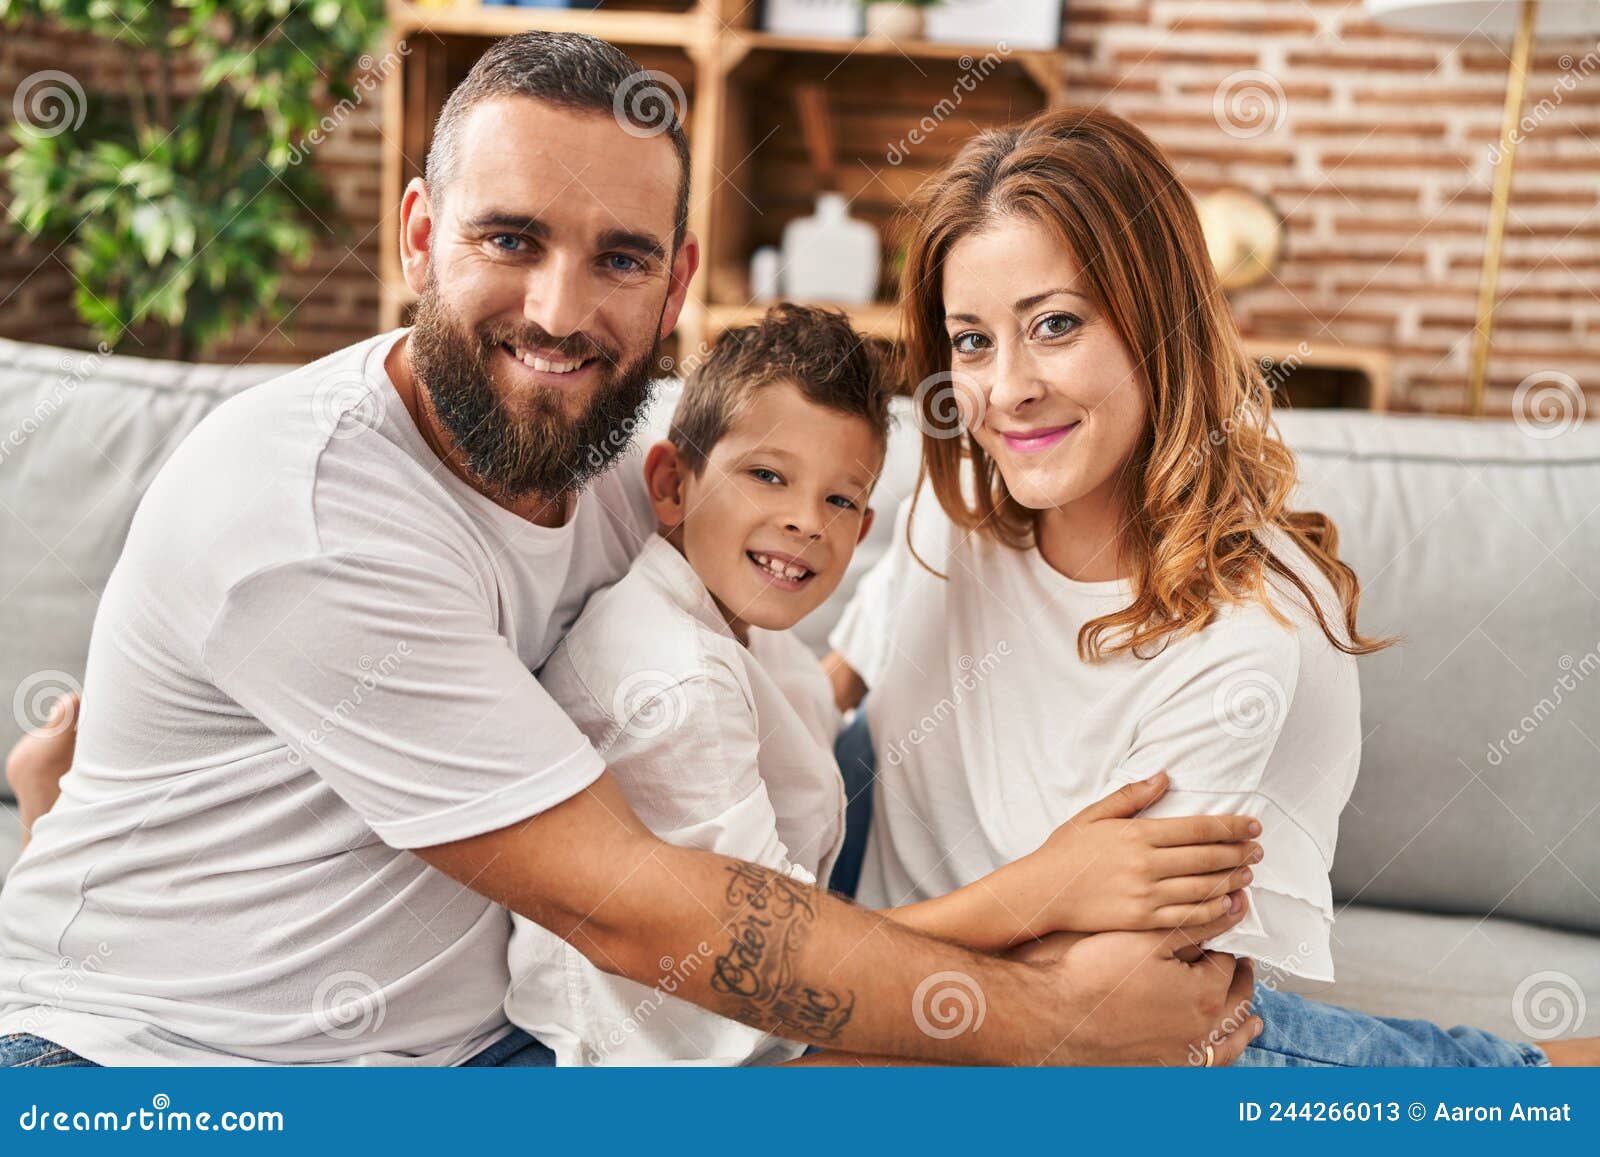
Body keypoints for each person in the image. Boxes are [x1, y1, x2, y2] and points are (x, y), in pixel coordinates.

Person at [0, 34, 1258, 1069]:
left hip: (487, 1046)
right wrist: (1054, 1019)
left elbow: (792, 666)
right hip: (161, 1068)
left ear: (675, 282)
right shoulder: (311, 516)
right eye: (510, 238)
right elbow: (632, 906)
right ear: (417, 234)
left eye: (618, 258)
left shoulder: (629, 459)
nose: (560, 313)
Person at [820, 105, 1599, 1067]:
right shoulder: (962, 508)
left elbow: (1100, 996)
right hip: (933, 984)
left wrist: (809, 984)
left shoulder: (1252, 633)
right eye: (972, 341)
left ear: (1159, 322)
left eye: (1055, 324)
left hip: (1128, 1029)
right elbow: (827, 699)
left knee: (1504, 1100)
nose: (1007, 389)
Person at [507, 304, 1260, 1066]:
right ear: (672, 483)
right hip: (670, 1048)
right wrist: (1043, 892)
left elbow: (820, 707)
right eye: (768, 475)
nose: (806, 521)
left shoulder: (745, 624)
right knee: (1175, 1023)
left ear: (863, 527)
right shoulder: (680, 683)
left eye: (839, 499)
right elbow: (769, 967)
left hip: (772, 970)